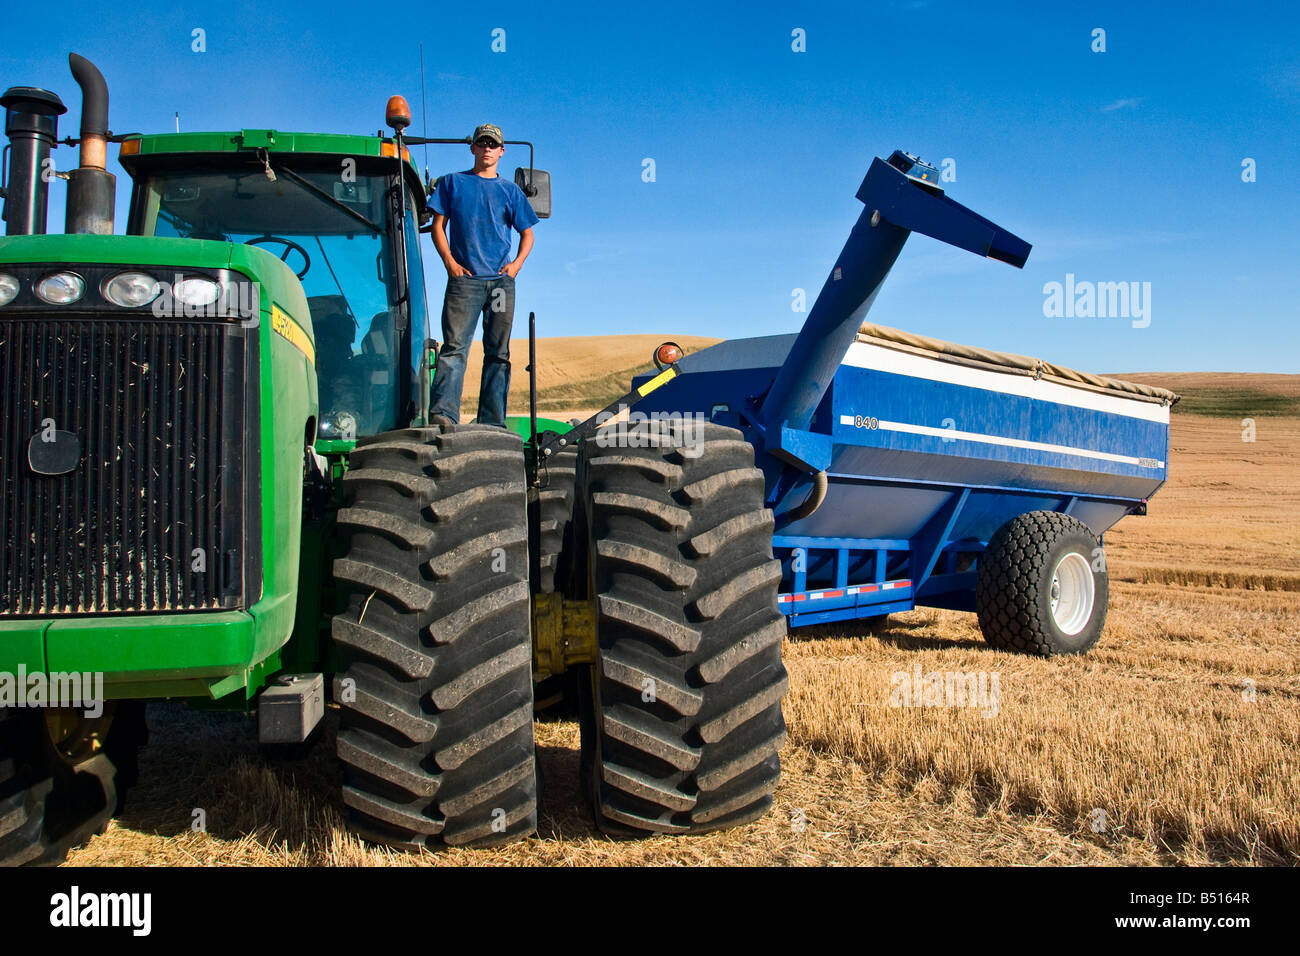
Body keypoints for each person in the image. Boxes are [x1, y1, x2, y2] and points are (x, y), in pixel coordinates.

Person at [427, 123, 539, 427]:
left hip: (501, 284)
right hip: (464, 281)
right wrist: (450, 263)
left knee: (498, 352)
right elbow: (438, 227)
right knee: (454, 349)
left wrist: (515, 266)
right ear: (473, 148)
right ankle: (444, 415)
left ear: (501, 151)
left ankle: (491, 420)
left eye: (493, 144)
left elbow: (527, 234)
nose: (487, 148)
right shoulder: (452, 183)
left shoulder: (510, 191)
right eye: (482, 143)